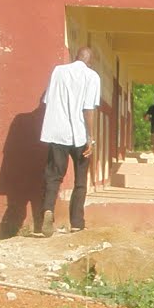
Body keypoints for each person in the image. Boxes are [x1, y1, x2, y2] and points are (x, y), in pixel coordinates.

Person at [36, 45, 101, 236]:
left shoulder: (58, 71)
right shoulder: (92, 77)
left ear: (75, 57)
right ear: (90, 62)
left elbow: (48, 100)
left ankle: (48, 210)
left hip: (57, 132)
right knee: (80, 180)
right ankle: (77, 223)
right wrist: (91, 137)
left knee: (53, 175)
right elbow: (88, 109)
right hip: (80, 135)